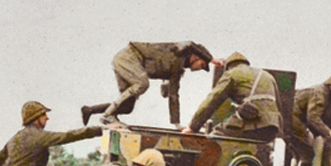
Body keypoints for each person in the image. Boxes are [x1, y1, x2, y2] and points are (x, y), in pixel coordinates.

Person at [81, 41, 224, 126]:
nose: (199, 68)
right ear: (196, 56)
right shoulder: (181, 51)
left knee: (127, 107)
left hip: (128, 63)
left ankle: (90, 110)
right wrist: (211, 59)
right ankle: (107, 115)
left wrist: (176, 124)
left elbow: (174, 96)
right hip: (130, 56)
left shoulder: (177, 71)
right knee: (142, 84)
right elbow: (192, 44)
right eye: (202, 64)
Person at [183, 52, 282, 142]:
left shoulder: (232, 73)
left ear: (229, 66)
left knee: (215, 137)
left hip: (251, 124)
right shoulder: (268, 76)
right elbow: (279, 106)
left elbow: (212, 100)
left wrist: (192, 127)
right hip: (271, 127)